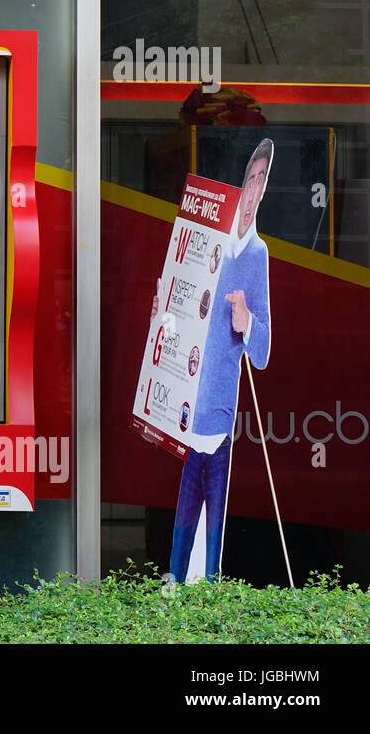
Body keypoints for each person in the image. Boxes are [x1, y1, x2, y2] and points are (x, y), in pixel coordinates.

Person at [168, 138, 273, 583]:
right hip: (183, 414)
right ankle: (173, 597)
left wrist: (247, 322)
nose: (253, 193)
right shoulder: (204, 241)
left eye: (262, 182)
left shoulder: (256, 255)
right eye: (250, 179)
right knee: (180, 536)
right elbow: (175, 318)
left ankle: (210, 608)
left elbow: (263, 352)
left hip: (220, 421)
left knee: (214, 542)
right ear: (237, 185)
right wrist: (163, 318)